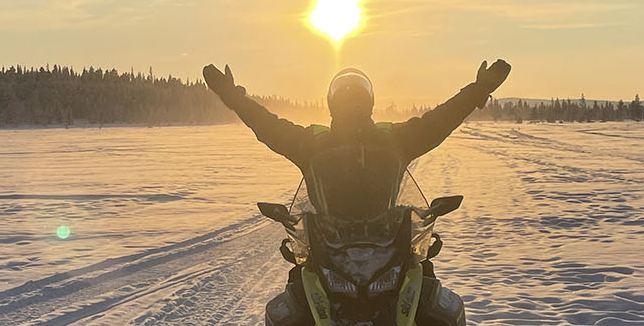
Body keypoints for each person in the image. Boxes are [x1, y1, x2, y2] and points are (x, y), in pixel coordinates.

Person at [202, 60, 510, 216]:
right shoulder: (390, 138)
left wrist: (477, 92)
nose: (352, 107)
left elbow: (267, 125)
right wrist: (232, 97)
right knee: (288, 311)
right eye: (349, 101)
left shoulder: (316, 141)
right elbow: (439, 120)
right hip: (325, 252)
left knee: (438, 306)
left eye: (356, 101)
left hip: (392, 249)